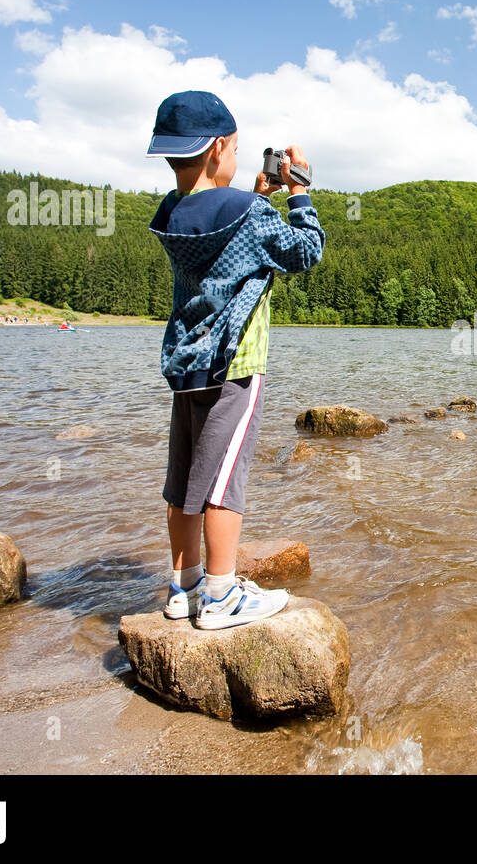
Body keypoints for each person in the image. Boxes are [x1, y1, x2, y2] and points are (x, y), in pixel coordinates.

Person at [146, 90, 325, 629]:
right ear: (219, 146)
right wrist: (298, 191)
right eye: (237, 148)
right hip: (235, 365)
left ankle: (187, 587)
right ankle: (222, 597)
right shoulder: (248, 215)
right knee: (225, 481)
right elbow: (306, 249)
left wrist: (252, 196)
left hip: (187, 367)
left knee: (184, 483)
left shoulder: (172, 214)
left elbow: (222, 233)